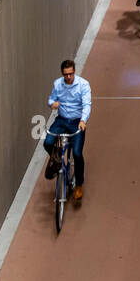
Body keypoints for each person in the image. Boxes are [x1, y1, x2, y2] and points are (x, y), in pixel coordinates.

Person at [43, 59, 91, 201]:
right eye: (66, 75)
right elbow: (50, 100)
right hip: (62, 120)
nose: (68, 77)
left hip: (77, 122)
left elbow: (87, 104)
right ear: (62, 74)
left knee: (77, 153)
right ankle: (56, 160)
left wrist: (83, 120)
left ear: (74, 72)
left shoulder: (83, 85)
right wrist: (53, 104)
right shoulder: (58, 84)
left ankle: (79, 185)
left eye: (70, 74)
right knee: (48, 142)